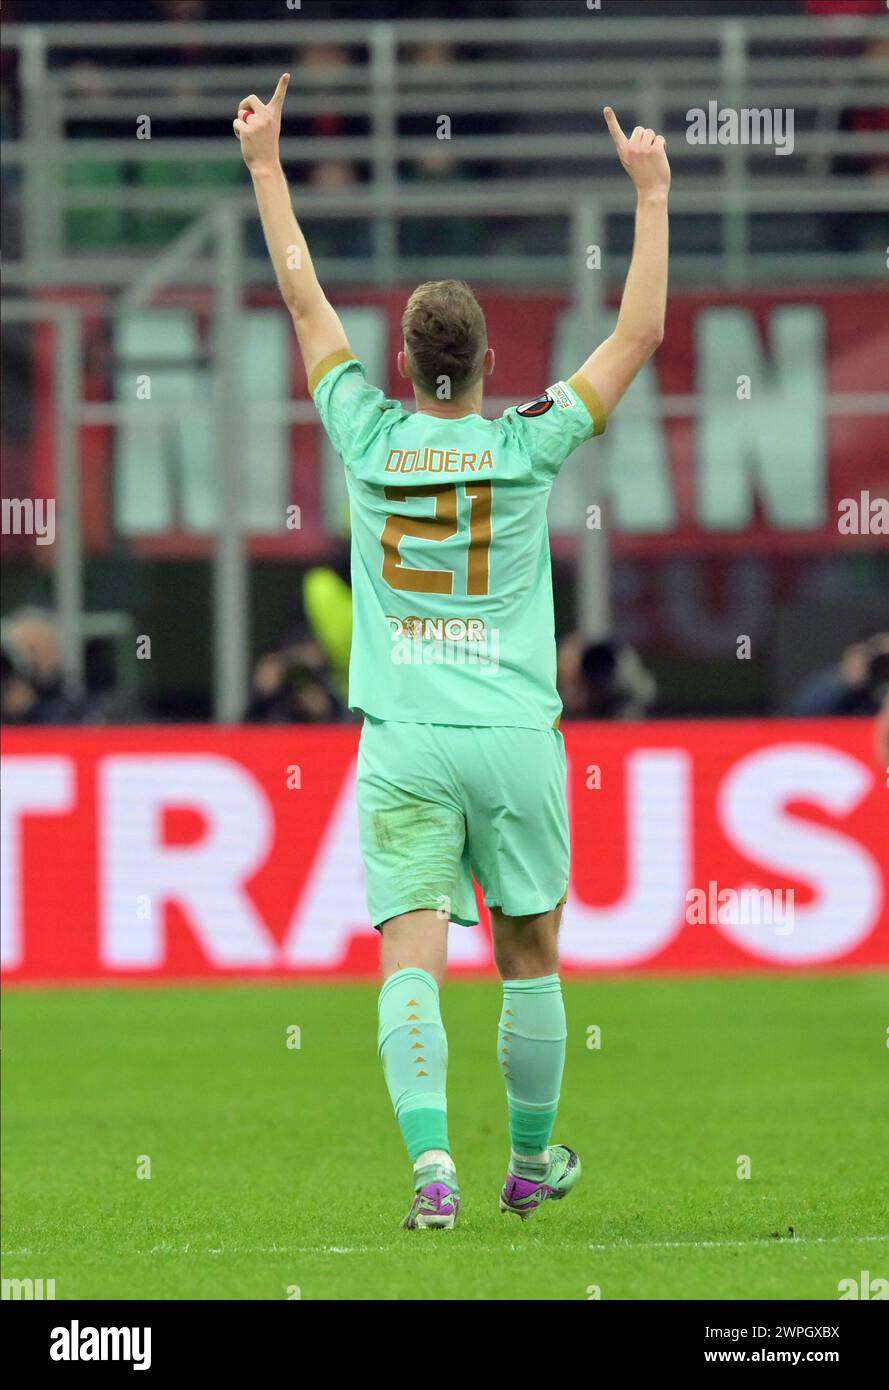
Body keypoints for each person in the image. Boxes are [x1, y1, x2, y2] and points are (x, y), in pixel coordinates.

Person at [235, 79, 669, 1229]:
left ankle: (434, 1171)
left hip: (404, 742)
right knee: (529, 960)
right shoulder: (527, 447)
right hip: (517, 737)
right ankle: (528, 1166)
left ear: (405, 362)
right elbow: (638, 334)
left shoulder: (364, 434)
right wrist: (653, 194)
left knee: (409, 966)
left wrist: (267, 168)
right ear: (483, 365)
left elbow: (302, 300)